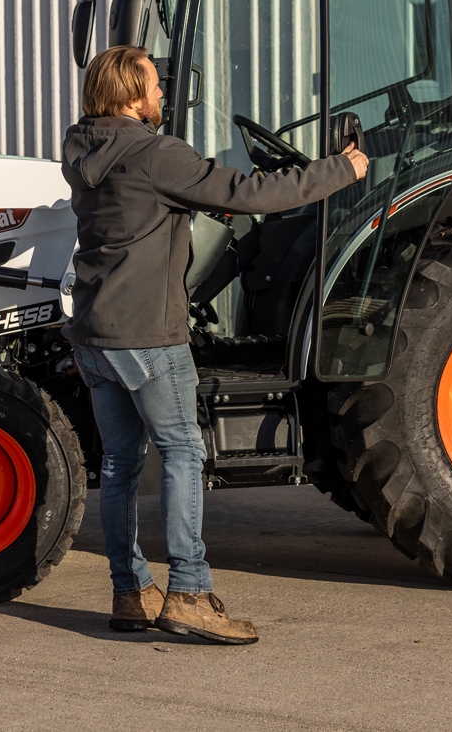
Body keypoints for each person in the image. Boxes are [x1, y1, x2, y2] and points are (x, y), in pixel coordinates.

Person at [60, 45, 367, 645]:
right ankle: (190, 593)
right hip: (148, 333)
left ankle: (131, 592)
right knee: (181, 452)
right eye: (153, 86)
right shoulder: (154, 153)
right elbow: (248, 195)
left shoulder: (84, 150)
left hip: (96, 334)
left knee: (120, 464)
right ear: (128, 95)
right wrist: (340, 170)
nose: (162, 95)